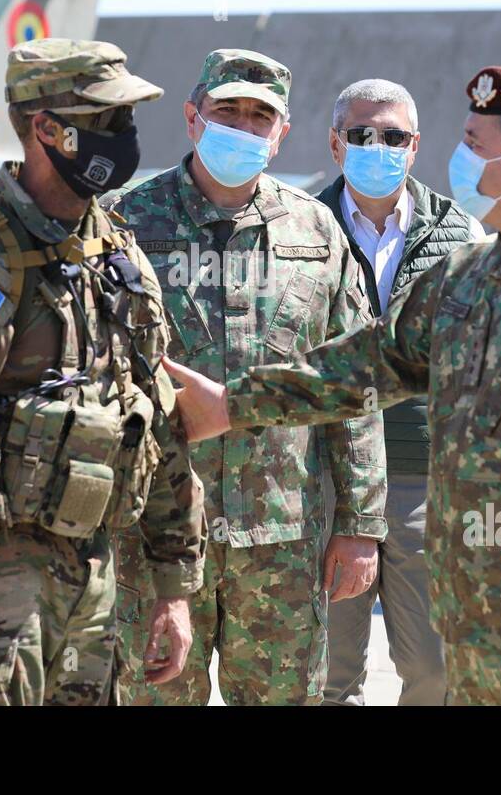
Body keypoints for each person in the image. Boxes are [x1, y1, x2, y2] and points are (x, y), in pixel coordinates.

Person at [165, 65, 501, 705]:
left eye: (474, 145)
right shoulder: (468, 274)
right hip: (480, 615)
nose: (459, 160)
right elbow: (370, 363)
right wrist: (233, 405)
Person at [0, 37, 205, 706]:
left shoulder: (118, 258)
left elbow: (159, 428)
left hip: (95, 589)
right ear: (45, 129)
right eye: (105, 121)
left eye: (125, 120)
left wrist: (175, 589)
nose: (123, 137)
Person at [105, 48, 386, 705]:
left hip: (281, 545)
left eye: (259, 116)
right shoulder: (125, 223)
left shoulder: (316, 231)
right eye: (226, 110)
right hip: (157, 541)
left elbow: (354, 380)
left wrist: (361, 523)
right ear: (192, 118)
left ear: (281, 132)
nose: (242, 125)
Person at [316, 78, 482, 706]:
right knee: (330, 677)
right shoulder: (300, 229)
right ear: (336, 144)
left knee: (435, 670)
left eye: (391, 136)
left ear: (414, 146)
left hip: (421, 478)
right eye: (361, 135)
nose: (376, 146)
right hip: (325, 476)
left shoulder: (460, 236)